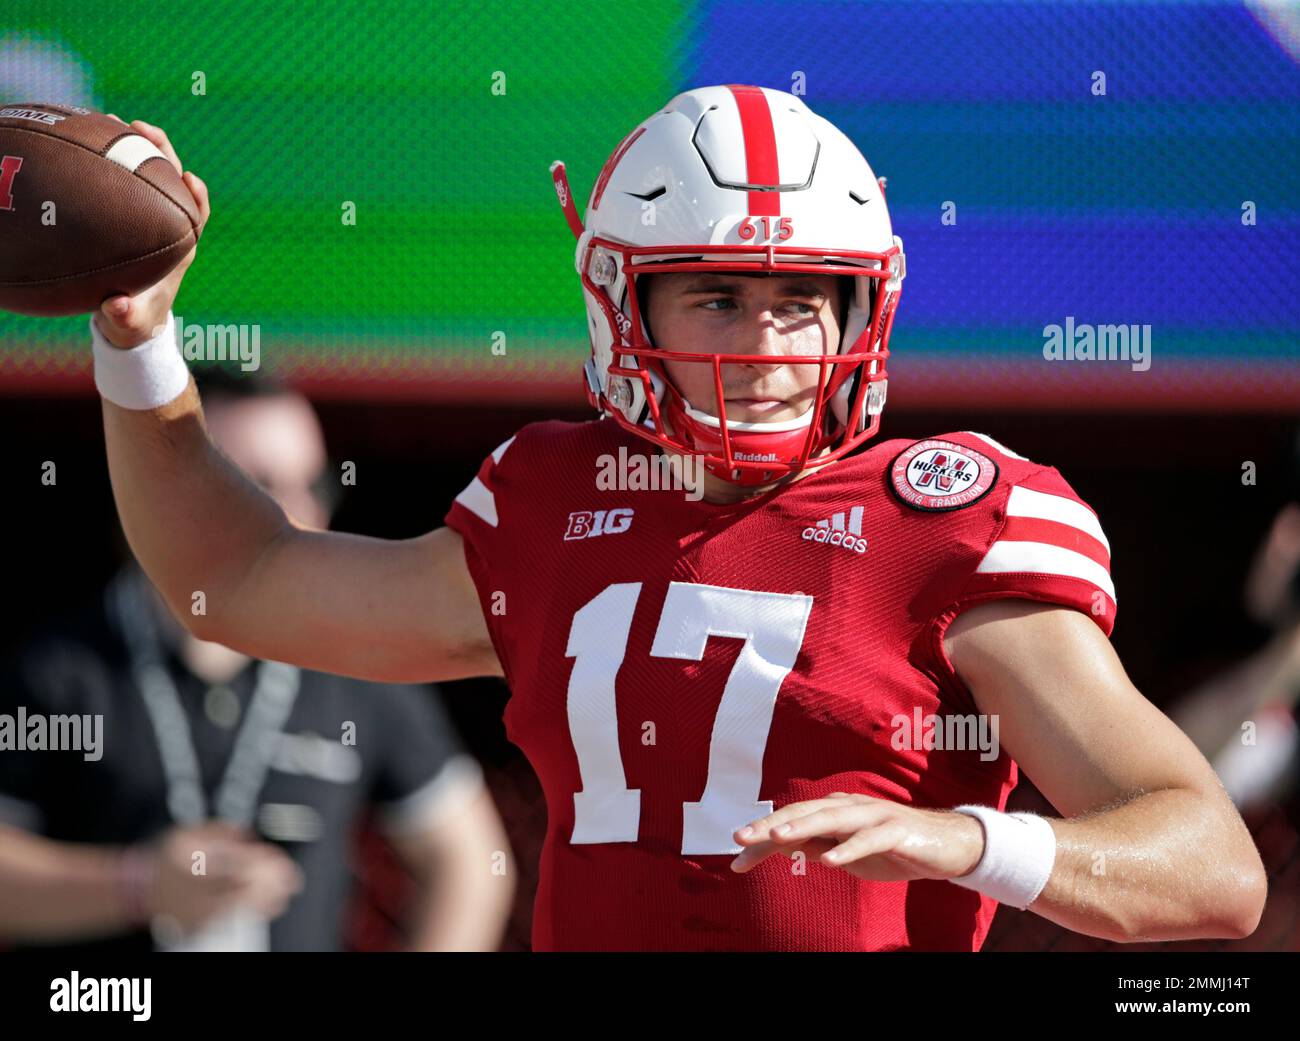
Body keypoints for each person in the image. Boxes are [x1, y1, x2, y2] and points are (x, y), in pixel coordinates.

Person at [81, 87, 1265, 951]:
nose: (763, 347)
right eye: (715, 296)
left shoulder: (946, 520)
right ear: (617, 298)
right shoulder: (552, 501)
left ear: (863, 308)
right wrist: (138, 346)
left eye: (801, 300)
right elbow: (231, 579)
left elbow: (1212, 869)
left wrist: (972, 847)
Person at [0, 369, 514, 952]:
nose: (297, 515)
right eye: (262, 485)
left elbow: (472, 863)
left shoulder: (356, 664)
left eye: (312, 486)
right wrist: (136, 885)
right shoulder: (62, 669)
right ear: (170, 489)